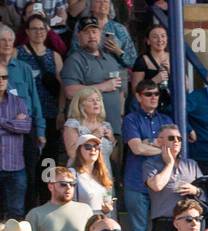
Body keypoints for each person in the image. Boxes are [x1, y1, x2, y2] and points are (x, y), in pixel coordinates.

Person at [121, 79, 169, 231]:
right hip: (136, 182)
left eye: (156, 94)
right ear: (138, 97)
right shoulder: (131, 119)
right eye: (148, 94)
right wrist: (162, 149)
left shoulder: (166, 119)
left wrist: (146, 142)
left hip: (161, 183)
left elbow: (174, 147)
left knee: (163, 230)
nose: (153, 97)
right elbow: (137, 148)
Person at [60, 19, 124, 140]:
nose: (91, 36)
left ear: (100, 34)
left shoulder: (111, 60)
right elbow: (70, 92)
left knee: (115, 159)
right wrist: (103, 87)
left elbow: (121, 91)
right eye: (86, 32)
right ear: (79, 37)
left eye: (94, 31)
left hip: (113, 128)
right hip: (87, 132)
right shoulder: (74, 61)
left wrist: (121, 115)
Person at [143, 124, 201, 231]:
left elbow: (206, 191)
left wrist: (194, 190)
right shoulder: (151, 164)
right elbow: (156, 185)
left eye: (179, 139)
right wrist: (169, 163)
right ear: (159, 141)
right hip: (165, 224)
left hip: (190, 223)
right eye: (171, 138)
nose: (176, 141)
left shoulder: (191, 164)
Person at [16, 14, 59, 164]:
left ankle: (47, 186)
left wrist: (61, 111)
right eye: (34, 28)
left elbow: (61, 87)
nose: (38, 32)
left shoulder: (54, 55)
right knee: (27, 154)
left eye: (42, 28)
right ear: (27, 31)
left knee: (49, 154)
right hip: (26, 112)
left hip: (49, 110)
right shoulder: (17, 53)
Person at [0, 62, 30, 218]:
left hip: (15, 166)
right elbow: (19, 126)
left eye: (4, 77)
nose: (1, 80)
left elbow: (26, 127)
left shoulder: (18, 102)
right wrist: (13, 122)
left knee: (16, 212)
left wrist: (2, 122)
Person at [130, 21, 170, 114]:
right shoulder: (142, 60)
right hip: (148, 107)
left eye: (163, 36)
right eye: (155, 37)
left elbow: (186, 86)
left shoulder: (175, 58)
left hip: (170, 105)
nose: (160, 39)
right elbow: (135, 89)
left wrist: (172, 71)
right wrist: (155, 80)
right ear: (148, 41)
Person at [62, 86, 113, 159]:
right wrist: (92, 136)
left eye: (98, 100)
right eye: (90, 100)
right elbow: (72, 154)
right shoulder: (73, 124)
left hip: (104, 169)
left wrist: (112, 140)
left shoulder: (106, 125)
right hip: (81, 169)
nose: (95, 103)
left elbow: (114, 158)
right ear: (81, 105)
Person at [69, 132, 113, 214]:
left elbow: (108, 199)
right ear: (79, 150)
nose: (93, 149)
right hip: (81, 222)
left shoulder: (103, 174)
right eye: (88, 147)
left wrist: (108, 208)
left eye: (96, 147)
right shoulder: (72, 173)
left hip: (100, 222)